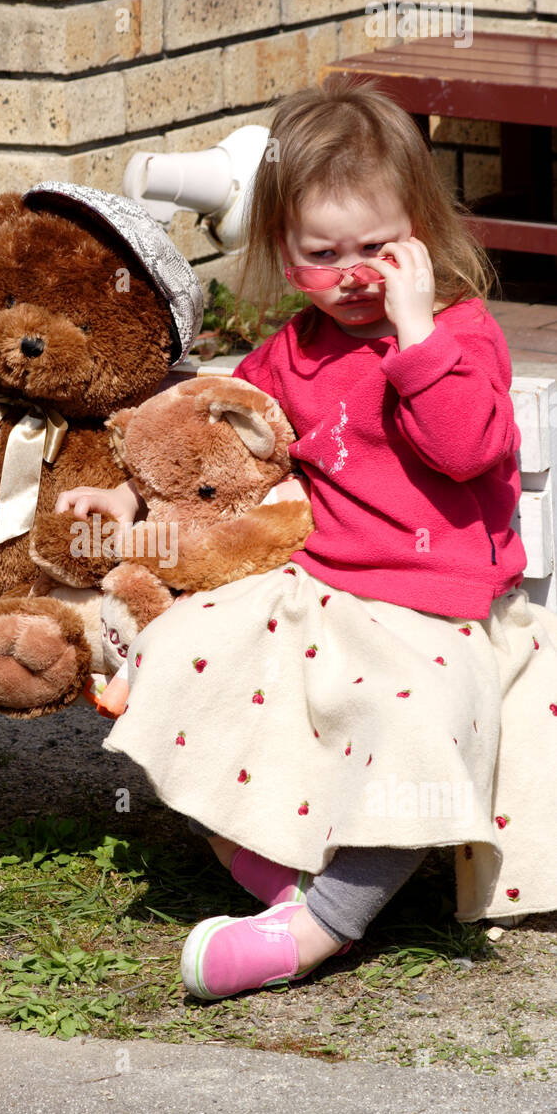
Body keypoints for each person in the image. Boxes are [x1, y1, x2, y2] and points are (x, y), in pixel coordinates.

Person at [56, 77, 557, 1001]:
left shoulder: (457, 333)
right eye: (323, 254)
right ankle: (270, 866)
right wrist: (131, 500)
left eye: (378, 248)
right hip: (317, 583)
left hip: (435, 609)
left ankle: (326, 924)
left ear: (422, 231)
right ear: (283, 253)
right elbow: (209, 441)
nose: (355, 275)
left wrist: (413, 338)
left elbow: (465, 447)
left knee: (412, 718)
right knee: (179, 651)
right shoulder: (291, 352)